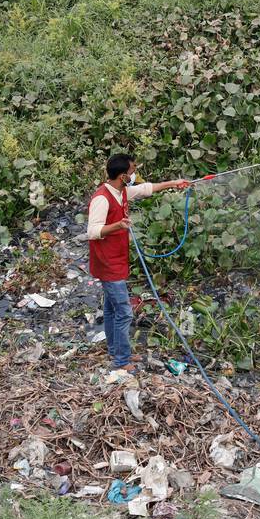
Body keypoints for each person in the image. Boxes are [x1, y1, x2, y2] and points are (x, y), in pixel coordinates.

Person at [86, 153, 190, 372]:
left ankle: (115, 352)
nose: (135, 175)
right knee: (123, 311)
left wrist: (174, 183)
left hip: (116, 259)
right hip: (107, 263)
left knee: (112, 309)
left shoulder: (121, 192)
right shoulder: (102, 198)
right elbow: (92, 231)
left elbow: (146, 189)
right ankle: (121, 361)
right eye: (132, 172)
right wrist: (118, 226)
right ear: (123, 176)